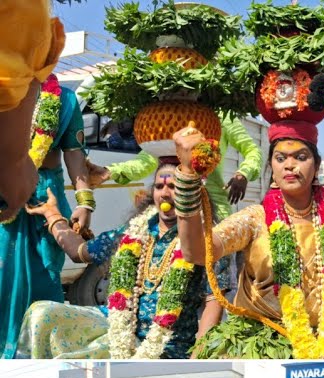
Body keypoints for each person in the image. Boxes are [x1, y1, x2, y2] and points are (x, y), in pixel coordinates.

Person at [170, 86, 324, 360]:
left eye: (300, 157)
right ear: (272, 168)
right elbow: (196, 252)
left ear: (315, 166)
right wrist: (187, 176)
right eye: (281, 159)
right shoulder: (255, 219)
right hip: (264, 349)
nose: (290, 165)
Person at [19, 162, 230, 358]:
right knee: (41, 313)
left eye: (174, 187)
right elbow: (79, 251)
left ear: (191, 194)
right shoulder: (133, 232)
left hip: (166, 346)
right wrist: (52, 215)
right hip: (115, 326)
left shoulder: (207, 241)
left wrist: (198, 358)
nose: (165, 194)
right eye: (158, 186)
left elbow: (213, 302)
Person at [0, 78, 93, 359]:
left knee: (46, 276)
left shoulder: (63, 99)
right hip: (4, 196)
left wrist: (85, 202)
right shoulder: (5, 93)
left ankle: (36, 355)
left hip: (46, 201)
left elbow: (74, 154)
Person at [99, 114, 262, 221]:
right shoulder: (167, 116)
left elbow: (252, 150)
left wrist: (244, 173)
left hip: (212, 213)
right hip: (169, 210)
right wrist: (110, 171)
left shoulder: (221, 116)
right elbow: (147, 160)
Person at [0, 0, 65, 223]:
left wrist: (85, 199)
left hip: (44, 191)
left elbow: (74, 149)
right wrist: (15, 162)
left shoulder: (67, 99)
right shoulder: (24, 10)